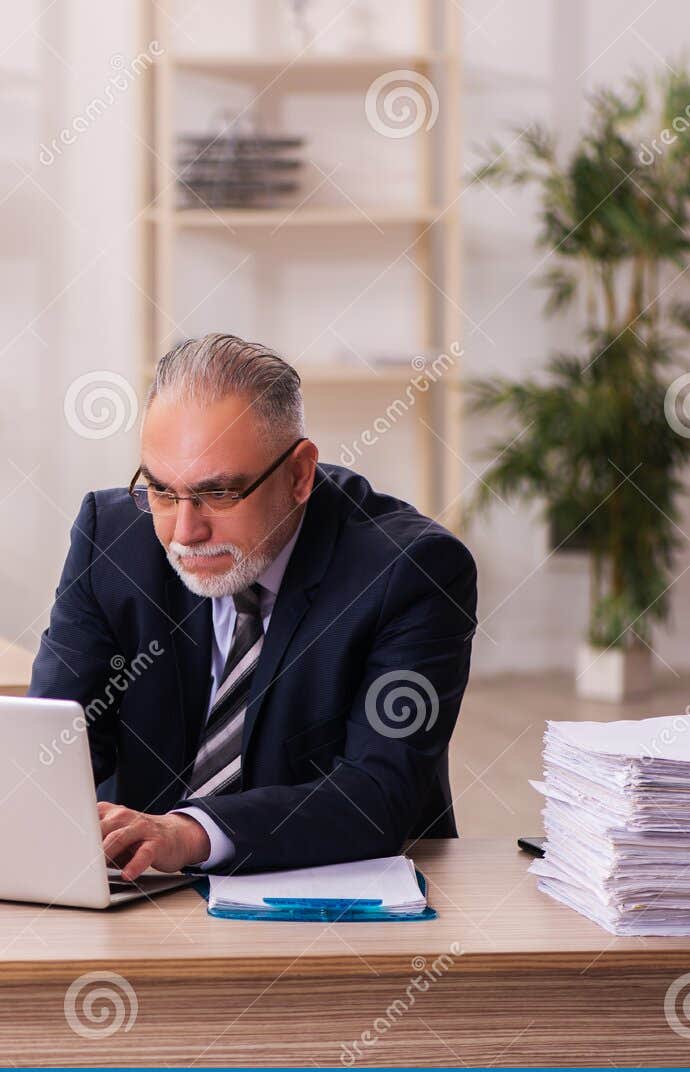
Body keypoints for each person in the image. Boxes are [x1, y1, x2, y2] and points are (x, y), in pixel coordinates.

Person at [30, 334, 477, 879]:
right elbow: (55, 741)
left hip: (334, 897)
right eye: (162, 491)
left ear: (299, 475)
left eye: (218, 494)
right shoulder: (113, 539)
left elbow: (378, 792)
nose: (185, 532)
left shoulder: (413, 570)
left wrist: (189, 834)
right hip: (143, 889)